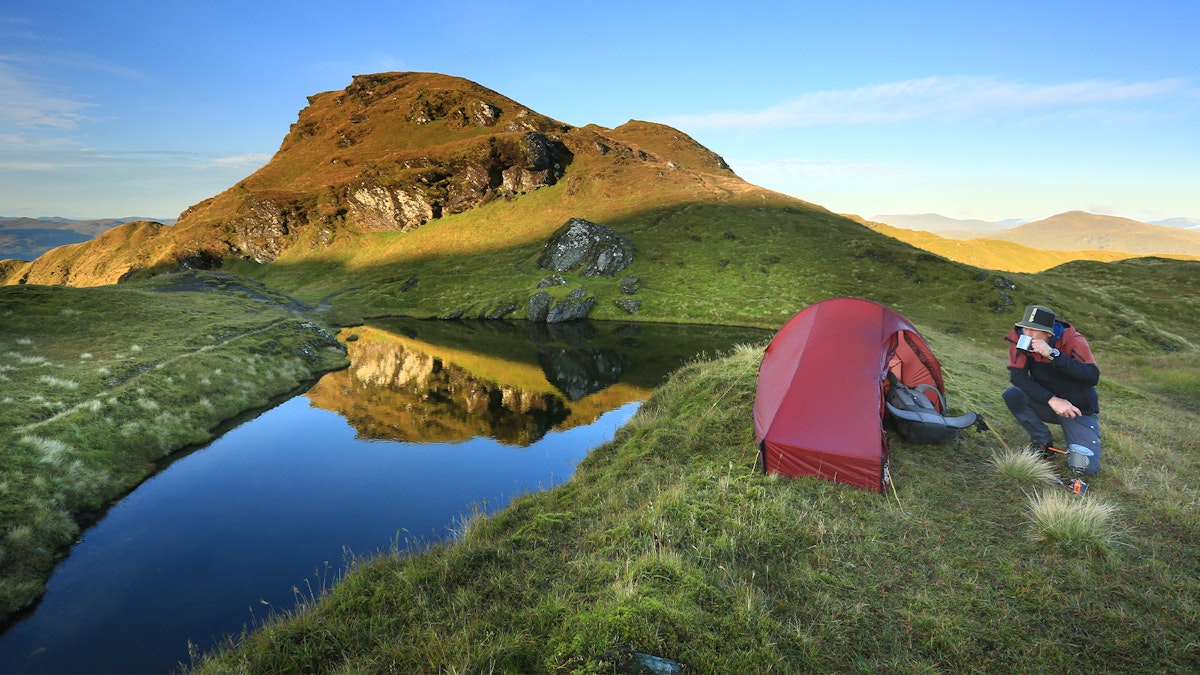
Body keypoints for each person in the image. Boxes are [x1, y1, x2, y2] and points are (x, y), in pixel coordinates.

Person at [1002, 304, 1102, 475]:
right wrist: (1052, 400)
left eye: (1034, 330)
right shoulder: (1021, 338)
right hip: (1047, 403)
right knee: (1013, 395)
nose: (1027, 334)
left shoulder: (1073, 340)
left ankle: (1079, 436)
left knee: (1084, 469)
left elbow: (1092, 376)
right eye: (1025, 327)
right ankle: (1042, 442)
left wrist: (1054, 355)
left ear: (1048, 333)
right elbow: (1018, 377)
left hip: (1077, 409)